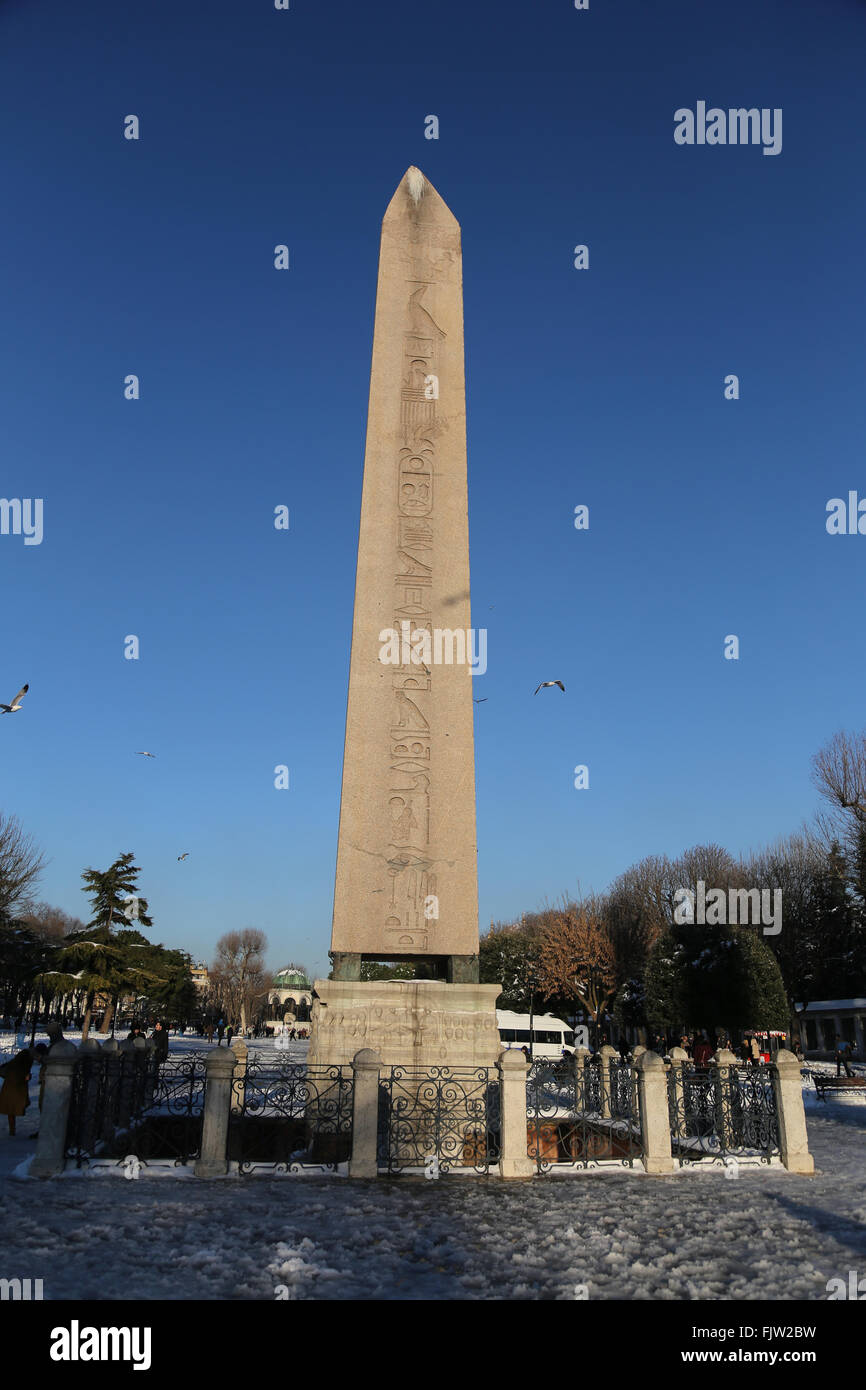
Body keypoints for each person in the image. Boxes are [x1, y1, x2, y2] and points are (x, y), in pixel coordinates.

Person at [0, 1049, 32, 1136]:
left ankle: (12, 1130)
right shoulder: (21, 1066)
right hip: (15, 1090)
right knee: (12, 1109)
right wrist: (25, 1077)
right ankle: (12, 1130)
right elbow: (18, 1078)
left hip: (8, 1089)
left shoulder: (13, 1063)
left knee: (10, 1110)